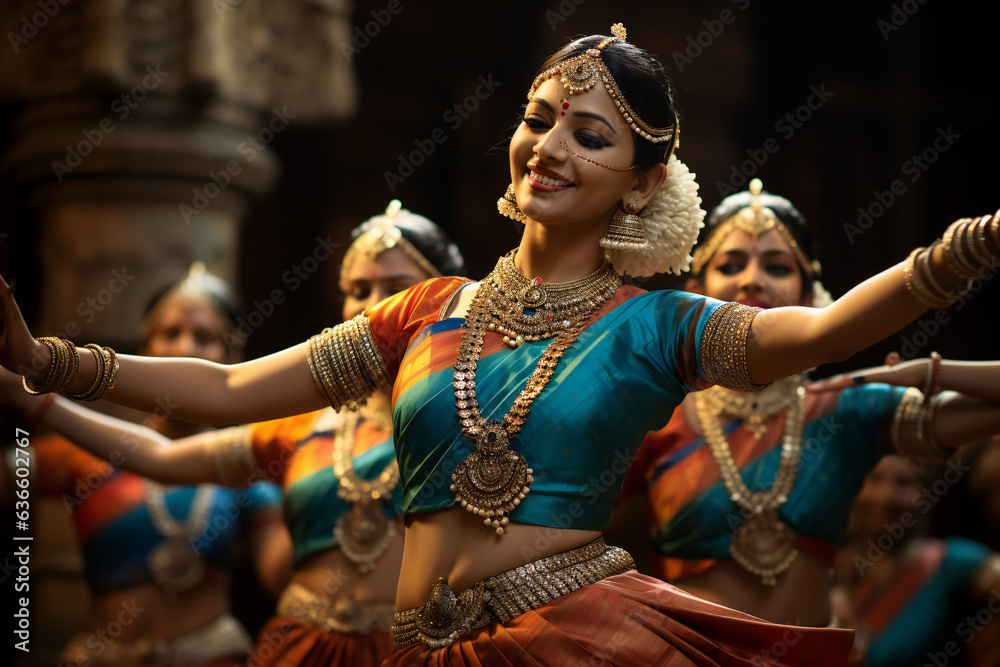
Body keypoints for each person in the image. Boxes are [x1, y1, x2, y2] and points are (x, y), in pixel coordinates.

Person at [2, 23, 998, 666]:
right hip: (410, 648)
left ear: (642, 186)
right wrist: (52, 363)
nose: (549, 147)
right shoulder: (422, 311)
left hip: (569, 637)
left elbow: (824, 331)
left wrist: (961, 253)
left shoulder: (659, 323)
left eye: (590, 136)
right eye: (538, 118)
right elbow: (224, 388)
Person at [2, 202, 465, 667]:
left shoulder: (468, 418)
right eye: (358, 289)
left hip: (407, 651)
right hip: (299, 649)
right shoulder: (301, 426)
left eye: (398, 289)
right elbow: (166, 455)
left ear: (443, 303)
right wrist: (40, 384)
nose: (373, 306)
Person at [610, 182, 1000, 631]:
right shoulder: (656, 416)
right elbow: (565, 529)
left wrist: (932, 373)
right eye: (731, 264)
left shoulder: (844, 409)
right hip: (687, 656)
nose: (753, 278)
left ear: (809, 296)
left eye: (776, 266)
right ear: (696, 292)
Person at [0, 265, 288, 667]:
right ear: (145, 351)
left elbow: (282, 575)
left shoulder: (245, 469)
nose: (185, 346)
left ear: (233, 357)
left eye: (204, 337)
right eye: (170, 333)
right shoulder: (86, 454)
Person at [831, 454, 1000, 667]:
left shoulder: (950, 561)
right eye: (874, 479)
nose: (886, 496)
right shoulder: (830, 564)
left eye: (904, 483)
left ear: (927, 494)